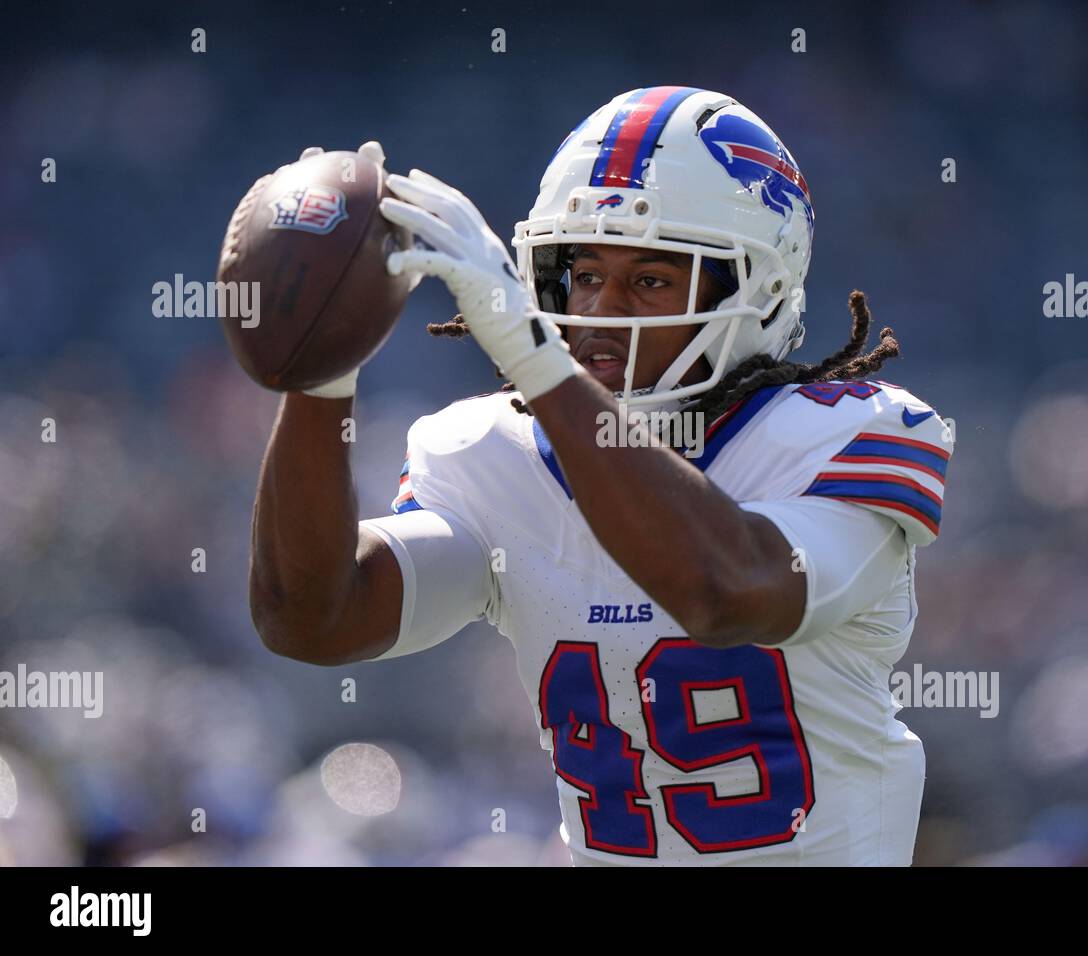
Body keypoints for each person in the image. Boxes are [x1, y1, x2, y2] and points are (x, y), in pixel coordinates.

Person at [250, 86, 954, 866]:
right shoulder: (495, 451)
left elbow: (724, 590)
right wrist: (319, 371)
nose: (602, 313)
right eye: (584, 274)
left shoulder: (846, 432)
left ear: (756, 292)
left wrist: (535, 360)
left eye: (650, 280)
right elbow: (313, 617)